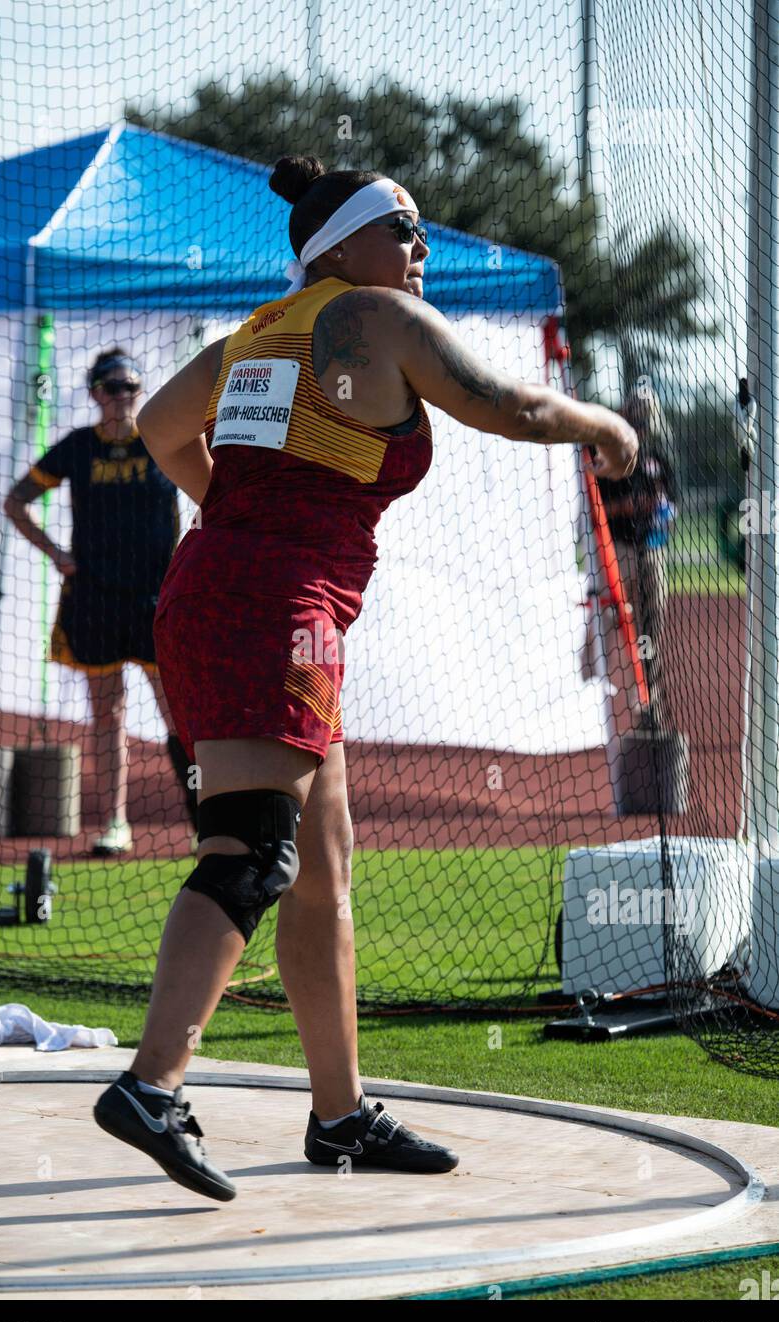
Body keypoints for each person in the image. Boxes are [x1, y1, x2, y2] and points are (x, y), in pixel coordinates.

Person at [92, 156, 638, 1200]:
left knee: (323, 865)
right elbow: (502, 404)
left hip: (228, 591)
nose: (421, 248)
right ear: (339, 246)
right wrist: (601, 425)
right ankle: (151, 1085)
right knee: (251, 848)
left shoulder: (254, 334)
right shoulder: (369, 316)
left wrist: (240, 524)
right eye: (404, 228)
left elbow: (165, 431)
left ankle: (338, 1117)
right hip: (273, 610)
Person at [3, 349, 198, 855]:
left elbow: (214, 491)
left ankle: (207, 820)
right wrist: (56, 554)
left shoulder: (162, 438)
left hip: (159, 600)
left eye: (131, 387)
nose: (122, 398)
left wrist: (198, 556)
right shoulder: (76, 447)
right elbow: (16, 501)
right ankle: (115, 823)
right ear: (94, 393)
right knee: (107, 714)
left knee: (178, 711)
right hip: (94, 598)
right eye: (112, 388)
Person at [596, 381, 675, 728]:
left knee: (649, 626)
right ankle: (603, 696)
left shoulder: (658, 458)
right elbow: (598, 507)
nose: (643, 423)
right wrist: (625, 507)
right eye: (638, 415)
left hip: (652, 550)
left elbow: (673, 505)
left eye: (648, 416)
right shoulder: (612, 453)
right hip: (621, 552)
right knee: (614, 622)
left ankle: (648, 698)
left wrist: (658, 508)